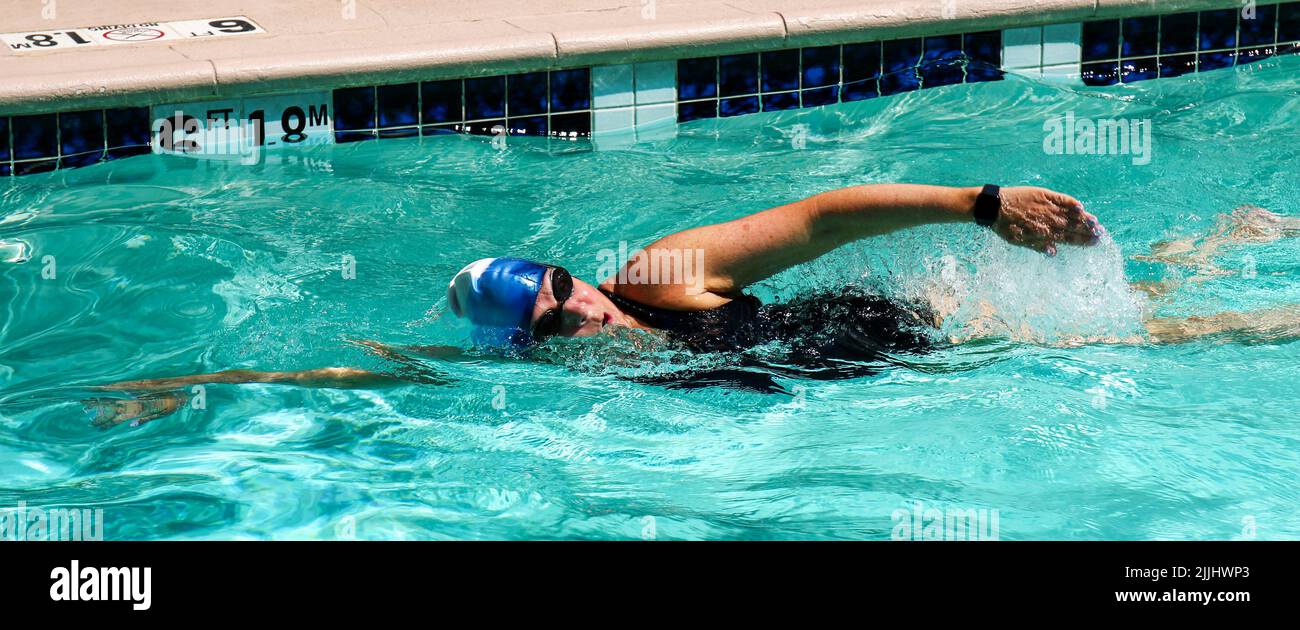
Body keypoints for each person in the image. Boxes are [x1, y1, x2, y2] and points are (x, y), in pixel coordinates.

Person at [85, 184, 1294, 427]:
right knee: (1139, 314)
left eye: (564, 286)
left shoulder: (652, 280)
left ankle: (1228, 270)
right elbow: (388, 376)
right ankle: (1207, 246)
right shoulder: (533, 372)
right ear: (531, 350)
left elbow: (821, 221)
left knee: (1162, 336)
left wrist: (978, 205)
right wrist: (204, 382)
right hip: (882, 385)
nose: (580, 313)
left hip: (911, 333)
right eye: (553, 321)